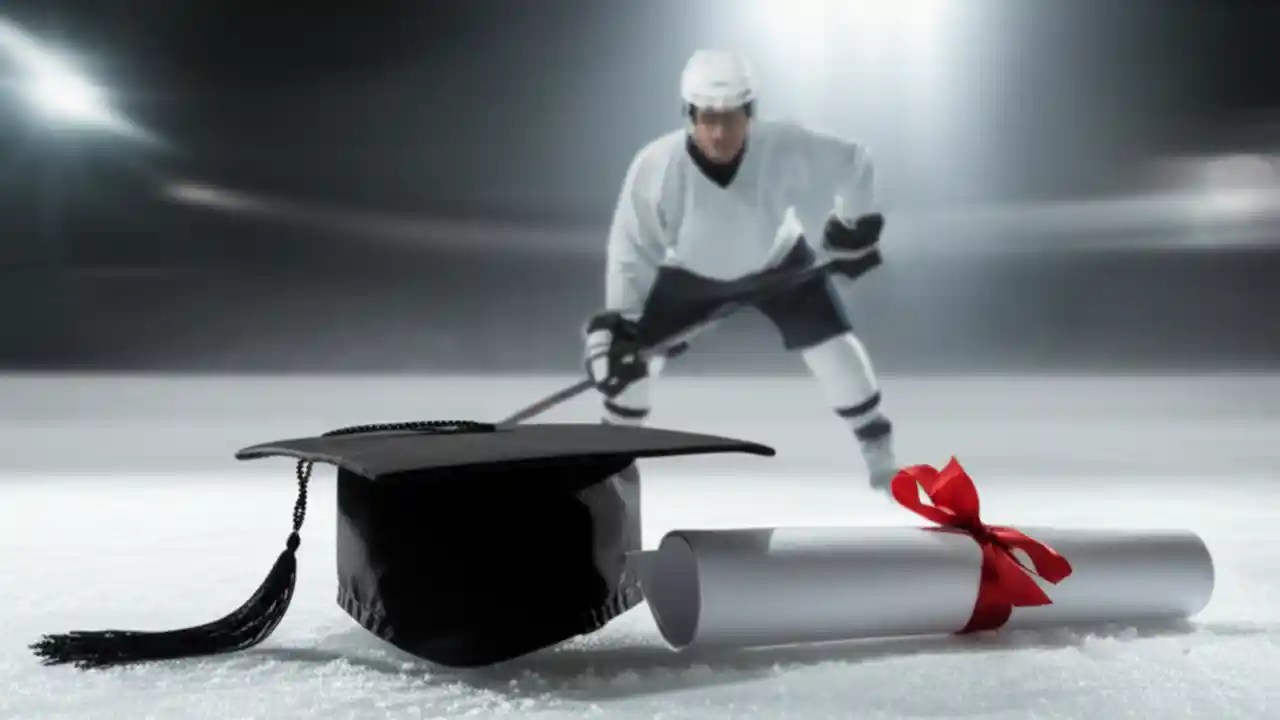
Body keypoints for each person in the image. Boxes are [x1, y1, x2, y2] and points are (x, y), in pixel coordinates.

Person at [582, 49, 899, 493]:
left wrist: (854, 225)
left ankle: (879, 452)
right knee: (633, 370)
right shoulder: (656, 166)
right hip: (689, 276)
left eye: (730, 117)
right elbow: (630, 251)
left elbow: (854, 163)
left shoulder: (783, 144)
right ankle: (610, 465)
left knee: (836, 351)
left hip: (778, 262)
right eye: (707, 117)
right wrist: (621, 326)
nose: (718, 131)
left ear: (750, 113)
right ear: (688, 115)